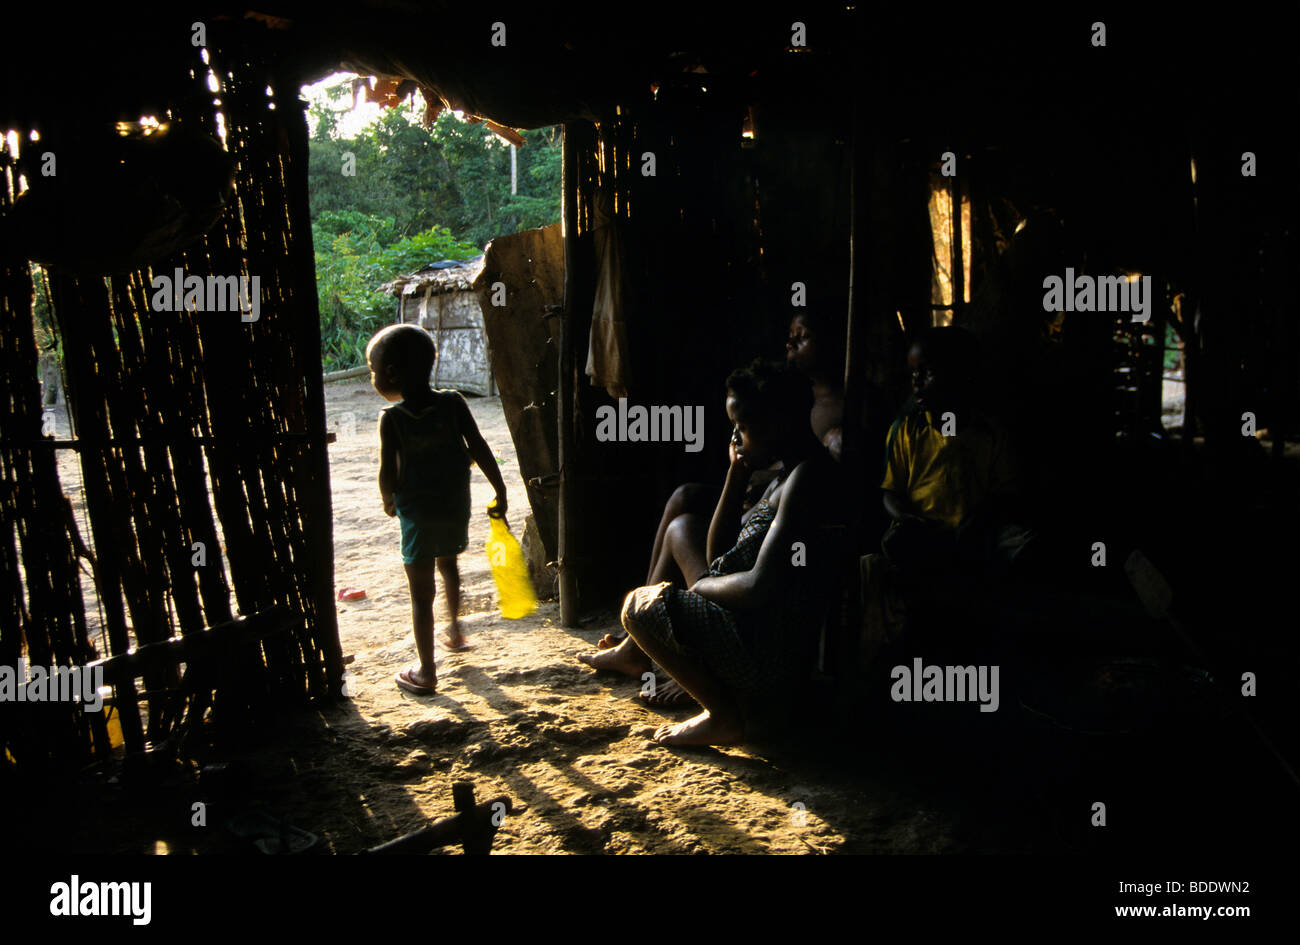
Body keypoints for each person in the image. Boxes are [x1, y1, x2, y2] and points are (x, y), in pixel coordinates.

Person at [578, 359, 843, 746]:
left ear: (778, 424)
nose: (734, 437)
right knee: (677, 542)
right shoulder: (784, 473)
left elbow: (756, 587)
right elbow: (719, 552)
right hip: (755, 630)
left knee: (640, 606)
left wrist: (701, 587)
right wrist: (735, 475)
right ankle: (663, 667)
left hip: (767, 652)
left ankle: (723, 715)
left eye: (742, 426)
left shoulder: (804, 479)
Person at [366, 324, 508, 696]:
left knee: (420, 595)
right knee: (449, 566)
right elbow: (478, 446)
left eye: (373, 370)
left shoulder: (392, 419)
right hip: (453, 508)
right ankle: (456, 631)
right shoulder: (453, 403)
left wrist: (387, 500)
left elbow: (387, 471)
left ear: (392, 373)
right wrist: (500, 487)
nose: (373, 376)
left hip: (419, 515)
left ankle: (426, 671)